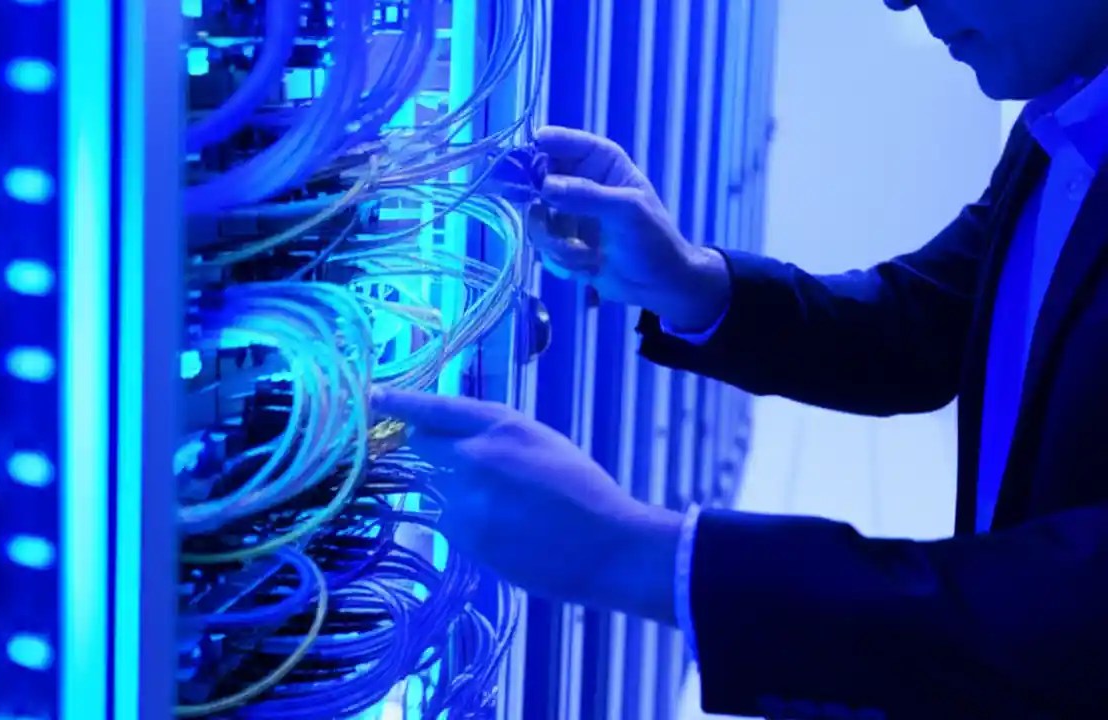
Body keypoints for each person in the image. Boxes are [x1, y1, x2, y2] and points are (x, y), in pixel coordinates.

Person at [373, 0, 1108, 717]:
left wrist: (629, 553)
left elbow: (1080, 617)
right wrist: (688, 281)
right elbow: (930, 324)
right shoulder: (1067, 112)